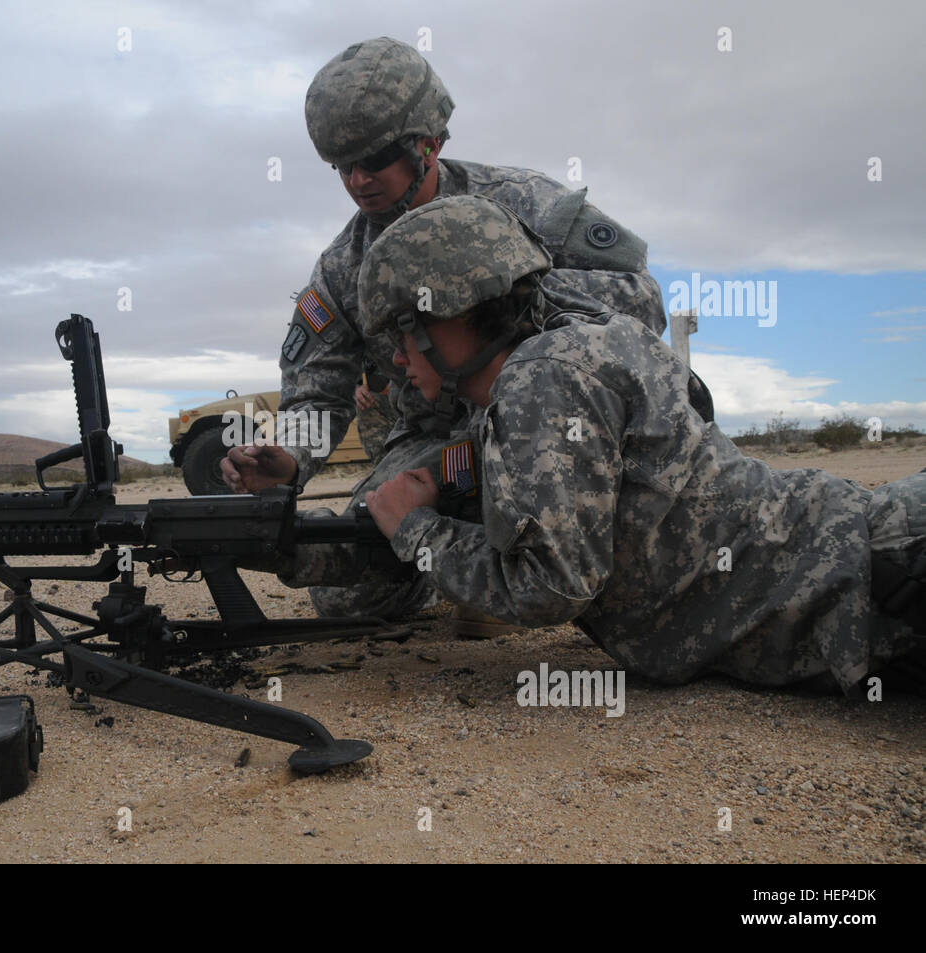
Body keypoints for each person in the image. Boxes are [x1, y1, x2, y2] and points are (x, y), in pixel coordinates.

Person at [225, 36, 711, 625]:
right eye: (341, 166)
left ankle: (528, 560)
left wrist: (509, 304)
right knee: (347, 590)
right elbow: (317, 387)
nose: (357, 180)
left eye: (373, 159)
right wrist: (288, 457)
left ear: (427, 145)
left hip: (550, 421)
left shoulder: (524, 205)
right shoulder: (342, 268)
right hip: (440, 442)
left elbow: (642, 300)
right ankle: (468, 567)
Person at [356, 194, 925, 694]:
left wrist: (417, 530)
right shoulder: (576, 344)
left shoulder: (542, 378)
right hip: (860, 564)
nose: (399, 357)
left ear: (456, 311)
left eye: (405, 328)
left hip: (872, 581)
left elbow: (552, 586)